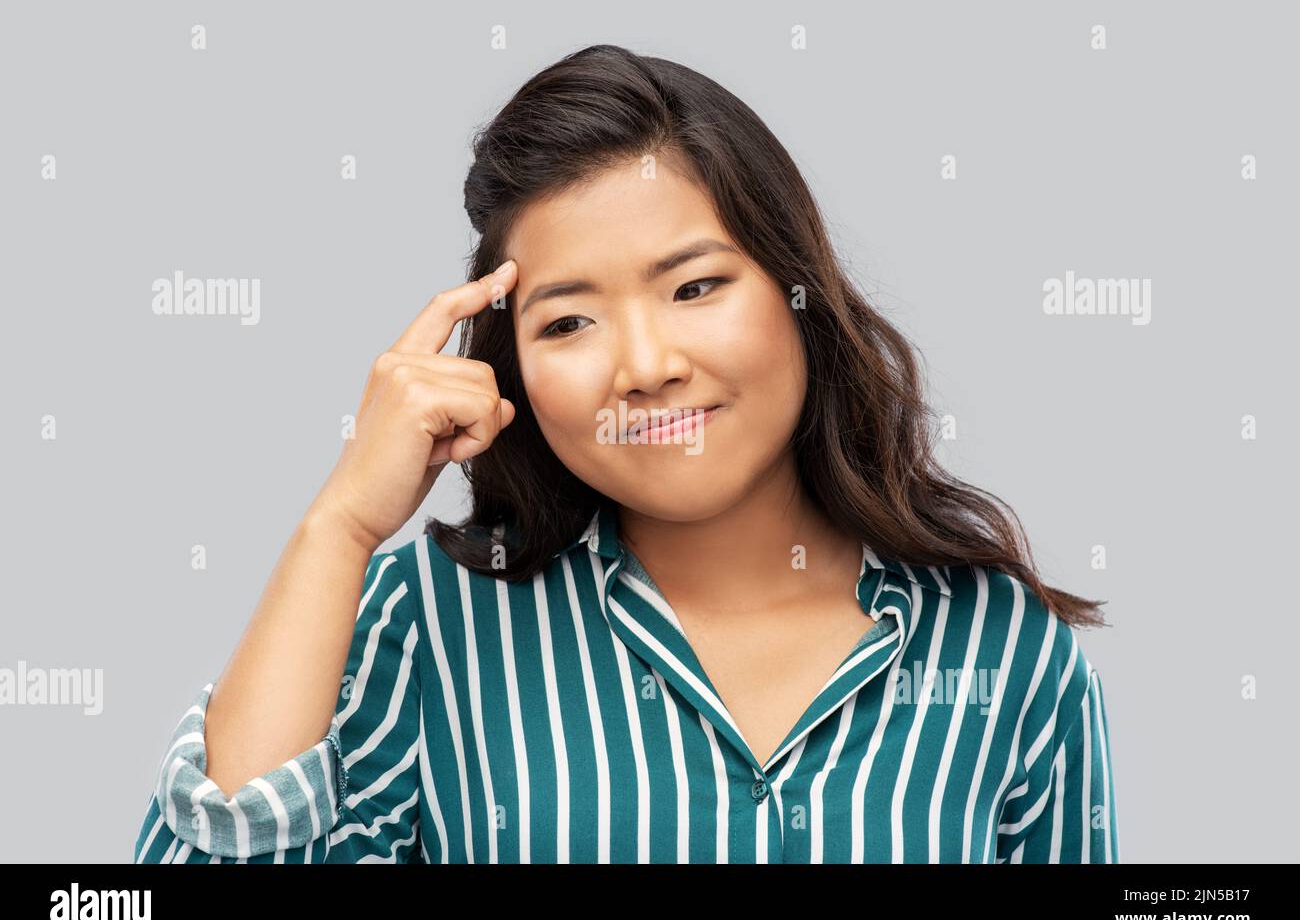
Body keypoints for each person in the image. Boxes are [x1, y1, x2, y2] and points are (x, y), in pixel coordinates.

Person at [134, 43, 1118, 864]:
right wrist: (339, 523)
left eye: (693, 288)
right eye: (569, 322)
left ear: (796, 291)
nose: (645, 366)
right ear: (511, 368)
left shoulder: (1001, 648)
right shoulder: (424, 624)